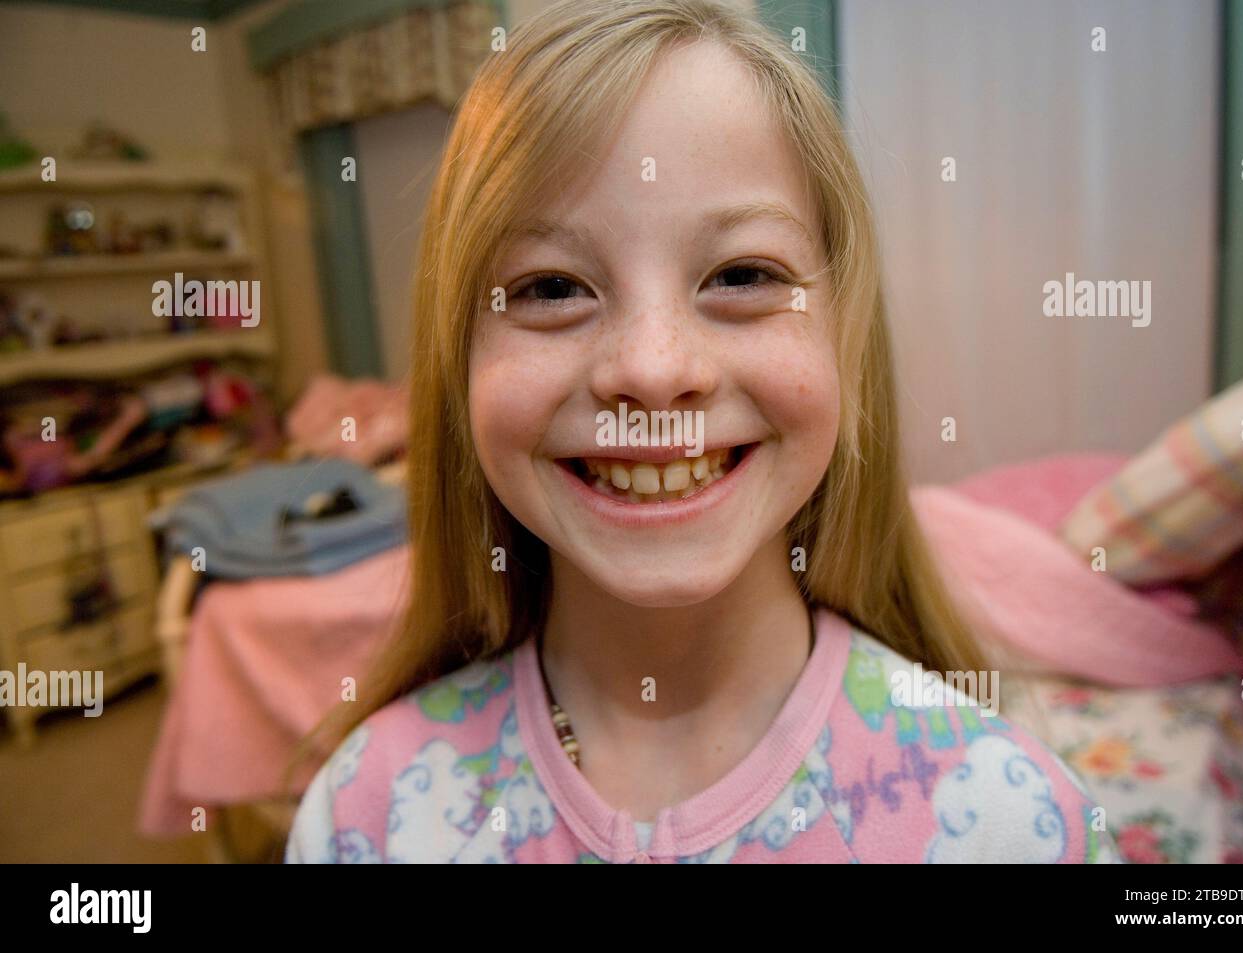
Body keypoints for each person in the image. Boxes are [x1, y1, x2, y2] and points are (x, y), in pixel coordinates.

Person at [286, 0, 1119, 864]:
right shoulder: (363, 815)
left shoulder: (1013, 823)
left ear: (844, 342)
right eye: (550, 288)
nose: (653, 368)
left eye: (743, 273)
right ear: (458, 364)